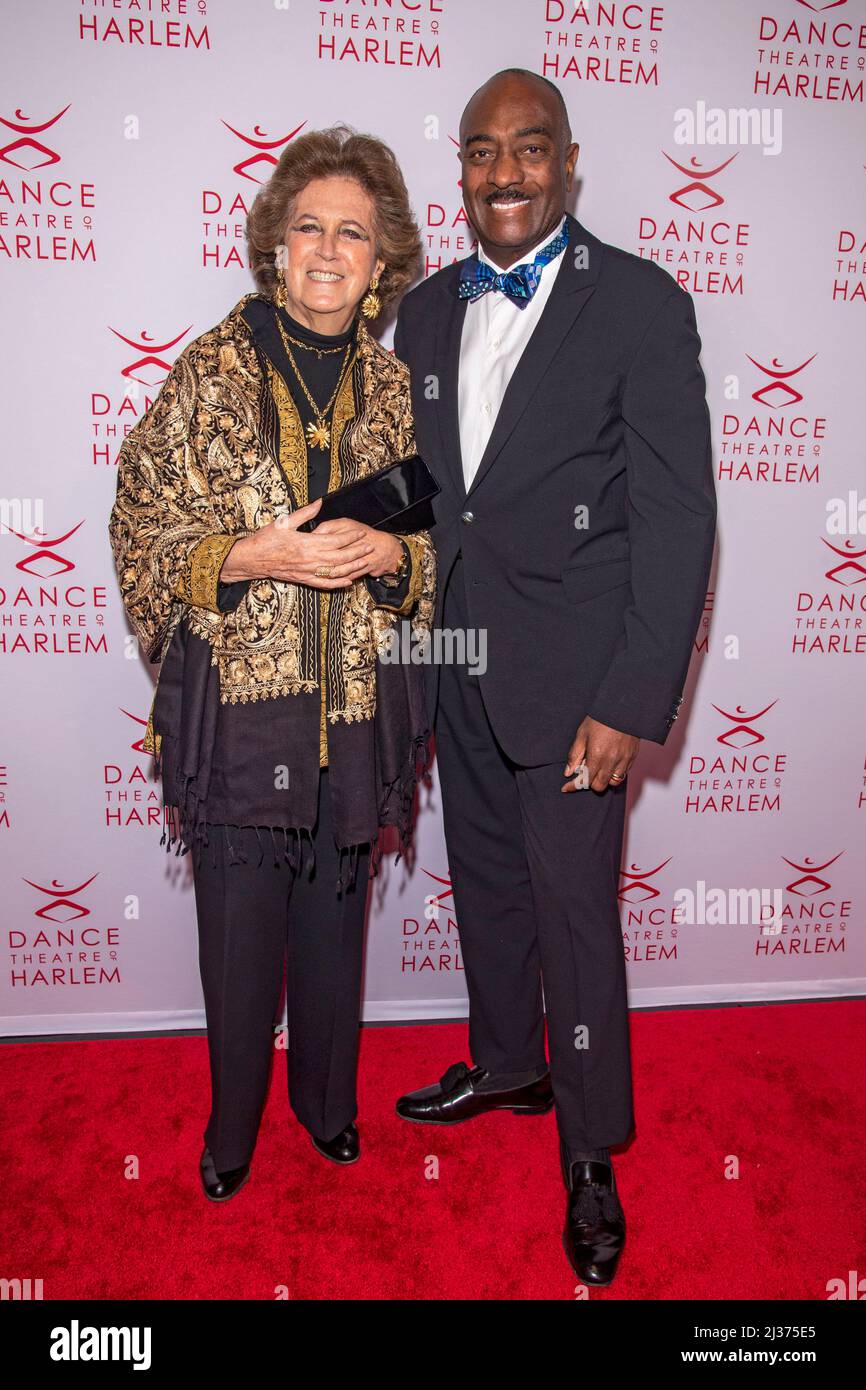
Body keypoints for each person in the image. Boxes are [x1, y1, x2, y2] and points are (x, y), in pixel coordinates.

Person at [392, 69, 716, 1284]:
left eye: (529, 150)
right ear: (460, 171)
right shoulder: (422, 315)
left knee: (575, 920)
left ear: (567, 164)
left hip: (578, 684)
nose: (505, 174)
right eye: (482, 152)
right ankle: (507, 1064)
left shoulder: (637, 304)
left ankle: (589, 1152)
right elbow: (429, 494)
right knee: (484, 881)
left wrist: (630, 703)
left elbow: (678, 521)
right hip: (457, 661)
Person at [108, 125, 436, 1202]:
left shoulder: (392, 391)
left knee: (335, 915)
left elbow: (432, 544)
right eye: (309, 227)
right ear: (275, 247)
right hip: (243, 703)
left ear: (381, 260)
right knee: (240, 931)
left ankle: (327, 1106)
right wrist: (253, 552)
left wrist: (394, 555)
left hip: (351, 700)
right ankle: (233, 1125)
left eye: (353, 231)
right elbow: (139, 526)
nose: (329, 249)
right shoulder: (208, 371)